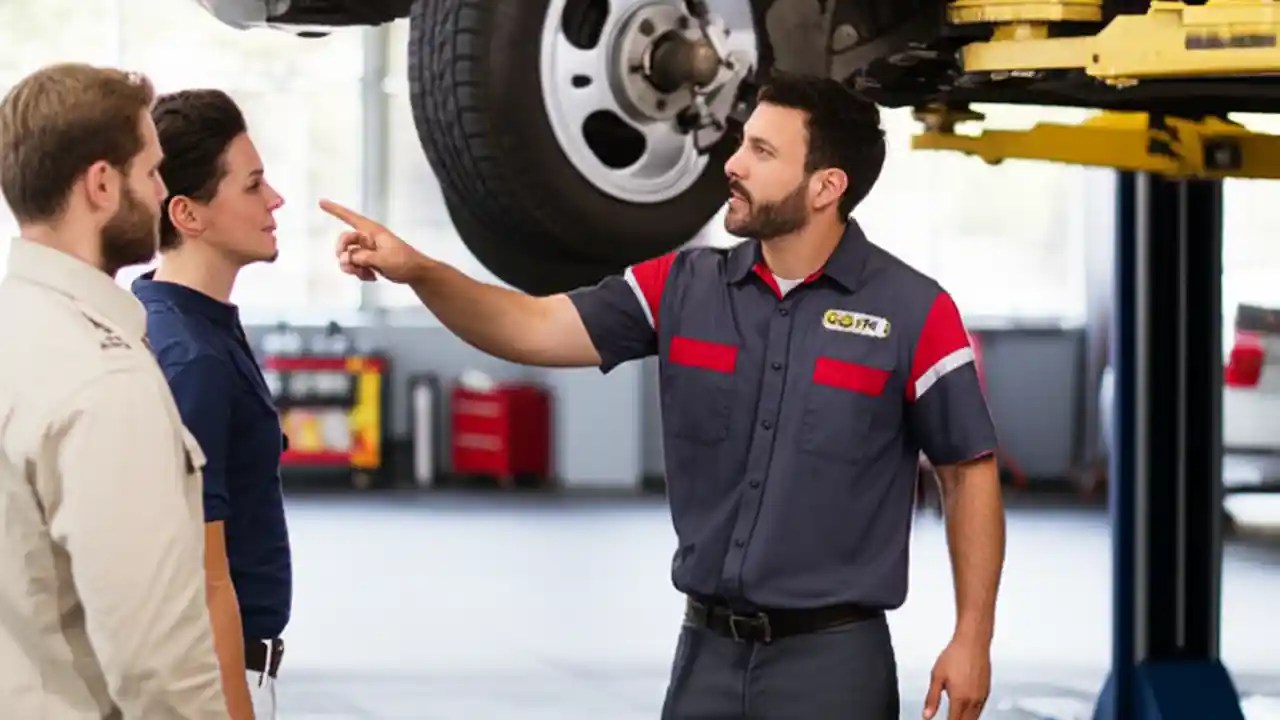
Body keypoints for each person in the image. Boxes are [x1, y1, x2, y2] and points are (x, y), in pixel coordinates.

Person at [324, 71, 1006, 720]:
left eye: (761, 151)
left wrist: (971, 637)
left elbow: (967, 474)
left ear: (826, 186)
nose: (732, 164)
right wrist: (420, 272)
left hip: (834, 665)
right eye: (741, 142)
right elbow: (528, 327)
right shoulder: (680, 287)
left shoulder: (915, 312)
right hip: (705, 655)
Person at [0, 62, 228, 718]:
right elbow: (157, 666)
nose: (162, 195)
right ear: (102, 184)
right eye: (151, 172)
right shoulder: (104, 382)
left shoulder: (16, 328)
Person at [130, 87, 290, 720]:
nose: (275, 200)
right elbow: (204, 576)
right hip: (215, 676)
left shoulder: (177, 317)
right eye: (252, 186)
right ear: (188, 216)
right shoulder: (192, 359)